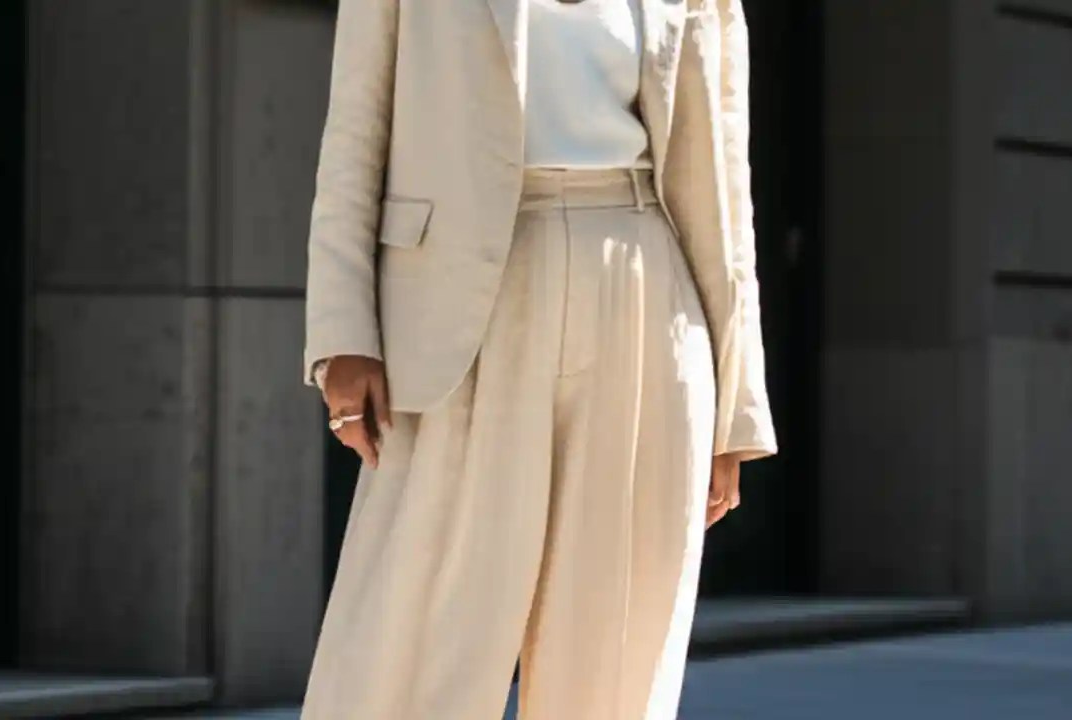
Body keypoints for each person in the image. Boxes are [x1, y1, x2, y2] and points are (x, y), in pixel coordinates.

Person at [300, 0, 777, 717]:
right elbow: (355, 130)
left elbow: (722, 182)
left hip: (645, 288)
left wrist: (738, 406)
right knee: (409, 653)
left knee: (614, 666)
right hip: (459, 302)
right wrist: (342, 330)